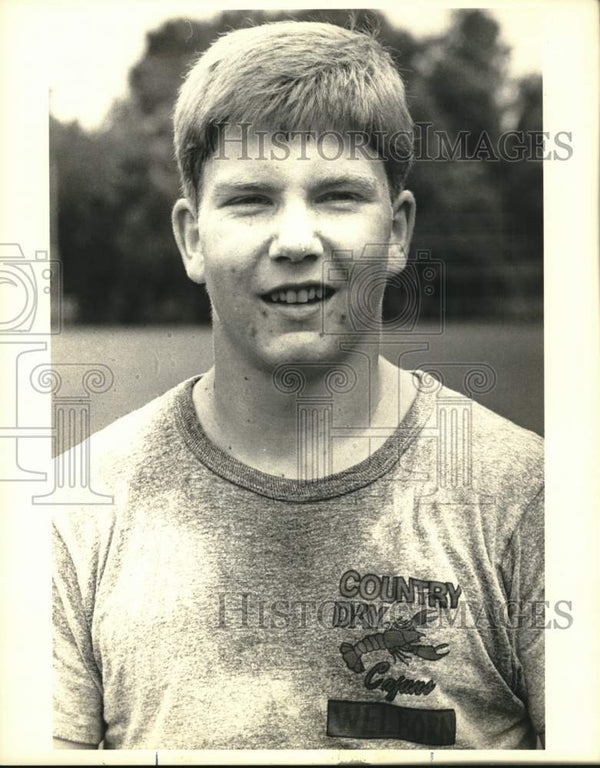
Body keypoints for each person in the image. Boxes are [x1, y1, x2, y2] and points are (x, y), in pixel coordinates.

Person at [52, 20, 544, 750]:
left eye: (338, 195)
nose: (294, 239)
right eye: (250, 199)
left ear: (398, 232)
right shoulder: (75, 515)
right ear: (192, 238)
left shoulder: (530, 500)